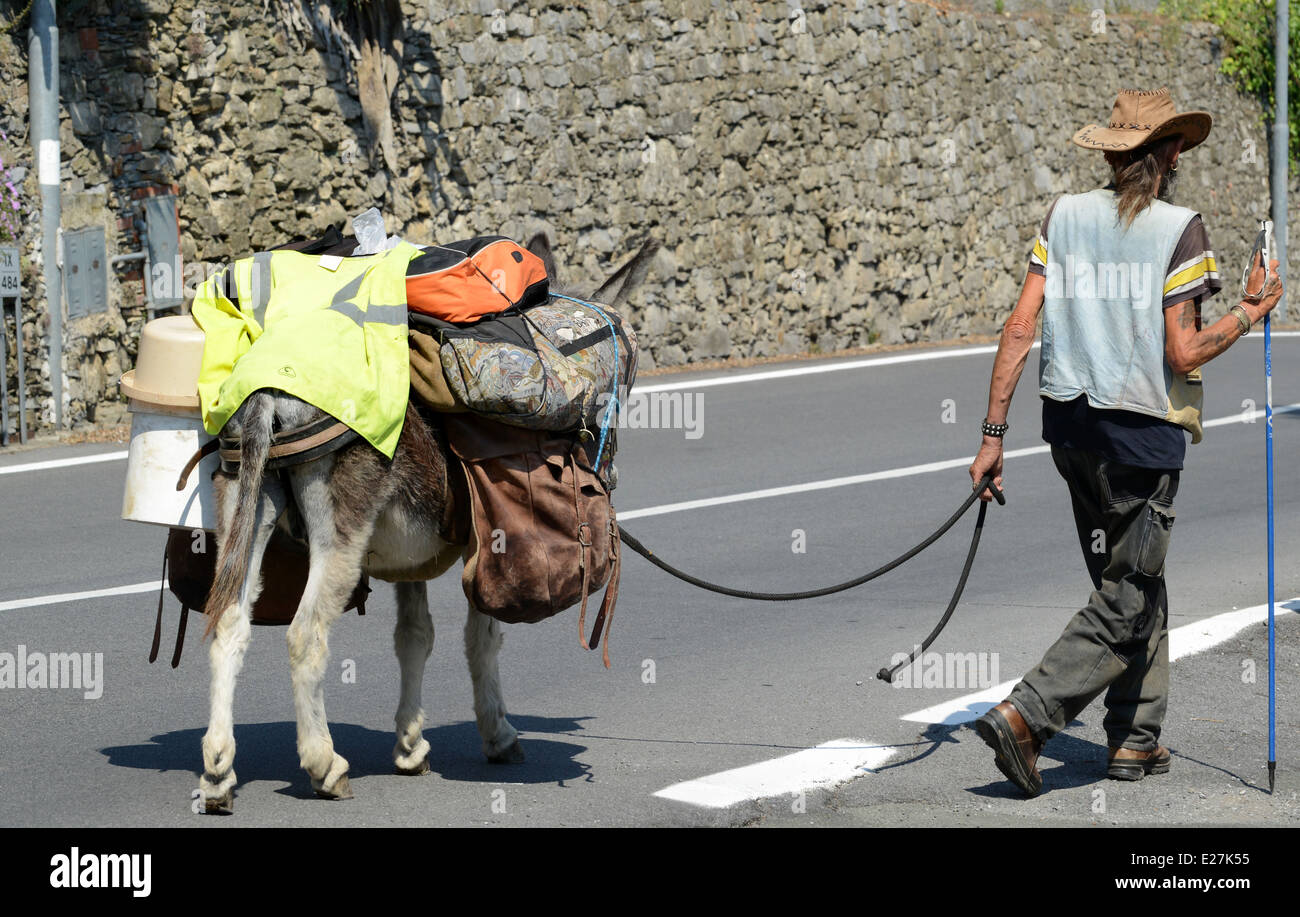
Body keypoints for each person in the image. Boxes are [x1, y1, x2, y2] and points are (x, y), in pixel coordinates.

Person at [968, 87, 1284, 797]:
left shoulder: (1064, 216)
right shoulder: (1179, 228)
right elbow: (1184, 352)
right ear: (1170, 154)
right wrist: (1250, 309)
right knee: (1128, 595)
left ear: (1114, 154)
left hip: (1071, 433)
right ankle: (1027, 715)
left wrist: (992, 435)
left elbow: (1021, 327)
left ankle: (1134, 740)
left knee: (1131, 582)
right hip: (1140, 439)